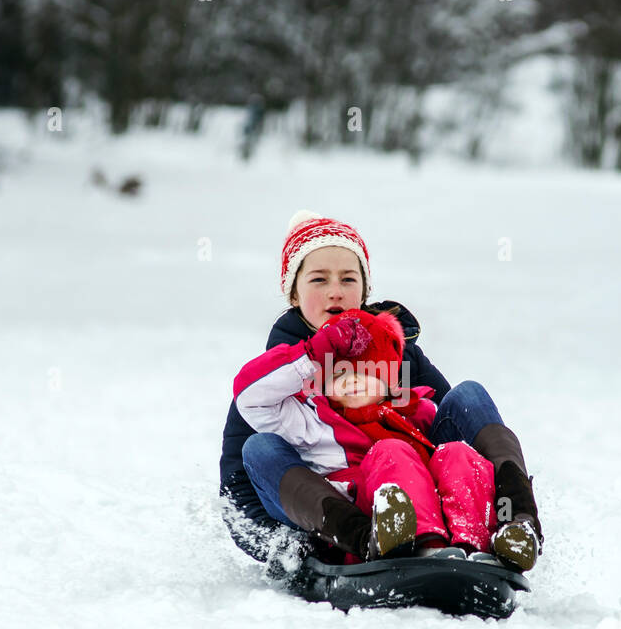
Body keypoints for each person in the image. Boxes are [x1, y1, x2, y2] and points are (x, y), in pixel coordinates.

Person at [219, 210, 543, 571]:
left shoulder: (397, 354)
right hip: (330, 515)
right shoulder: (272, 379)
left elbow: (447, 432)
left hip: (411, 482)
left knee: (468, 398)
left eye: (348, 278)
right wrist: (290, 553)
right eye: (318, 280)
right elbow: (240, 489)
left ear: (365, 288)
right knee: (259, 447)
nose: (336, 292)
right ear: (293, 293)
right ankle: (361, 536)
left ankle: (515, 521)